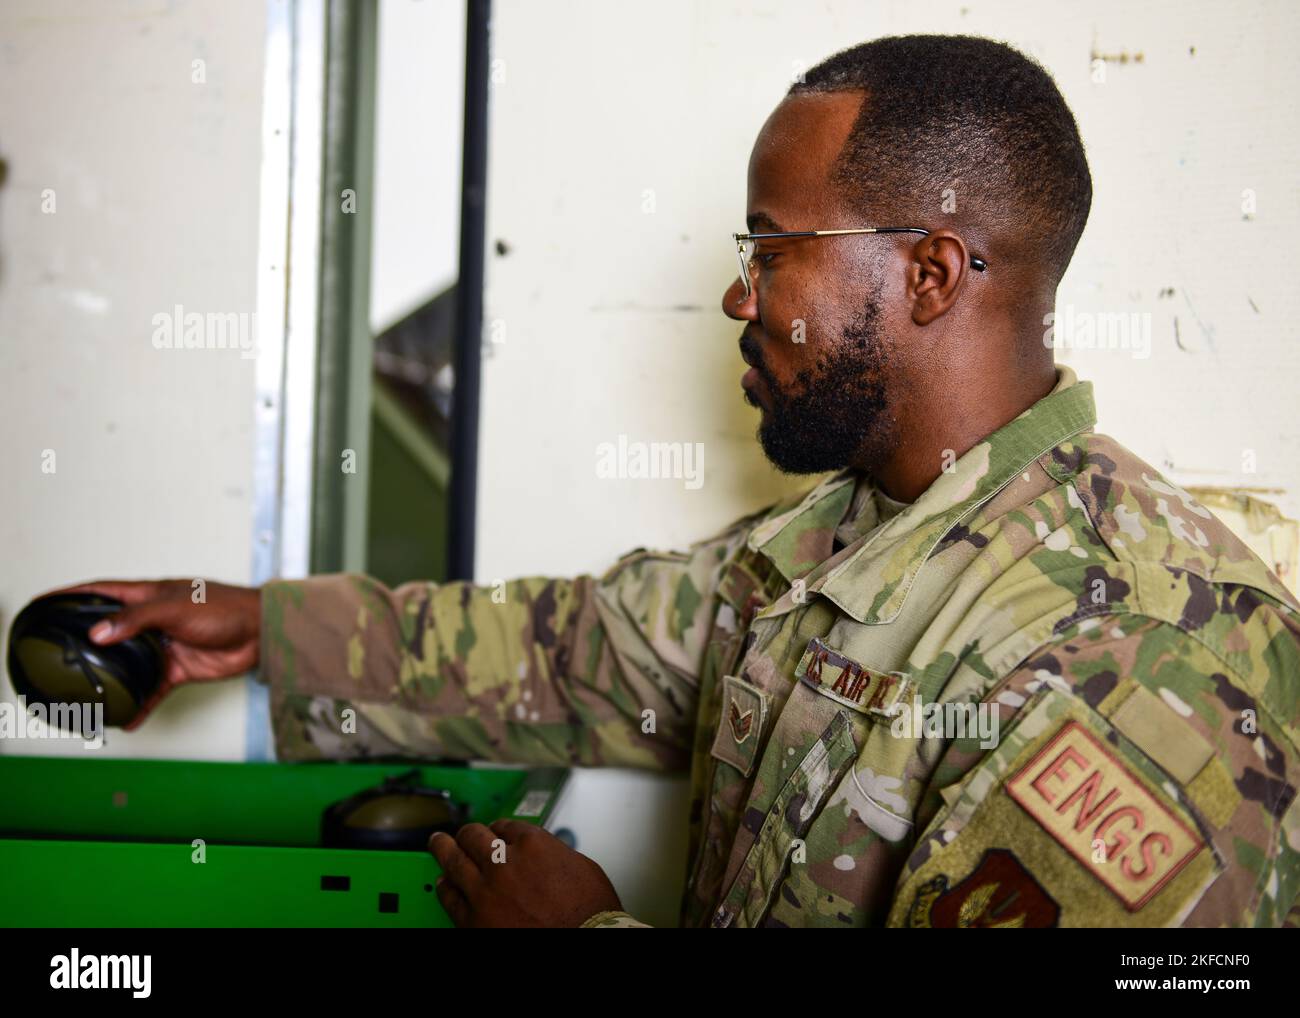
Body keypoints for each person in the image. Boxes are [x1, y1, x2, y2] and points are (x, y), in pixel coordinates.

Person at [58, 35, 1300, 928]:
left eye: (772, 247)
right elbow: (568, 652)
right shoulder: (841, 540)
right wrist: (256, 623)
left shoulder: (1139, 655)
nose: (737, 294)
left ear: (929, 274)